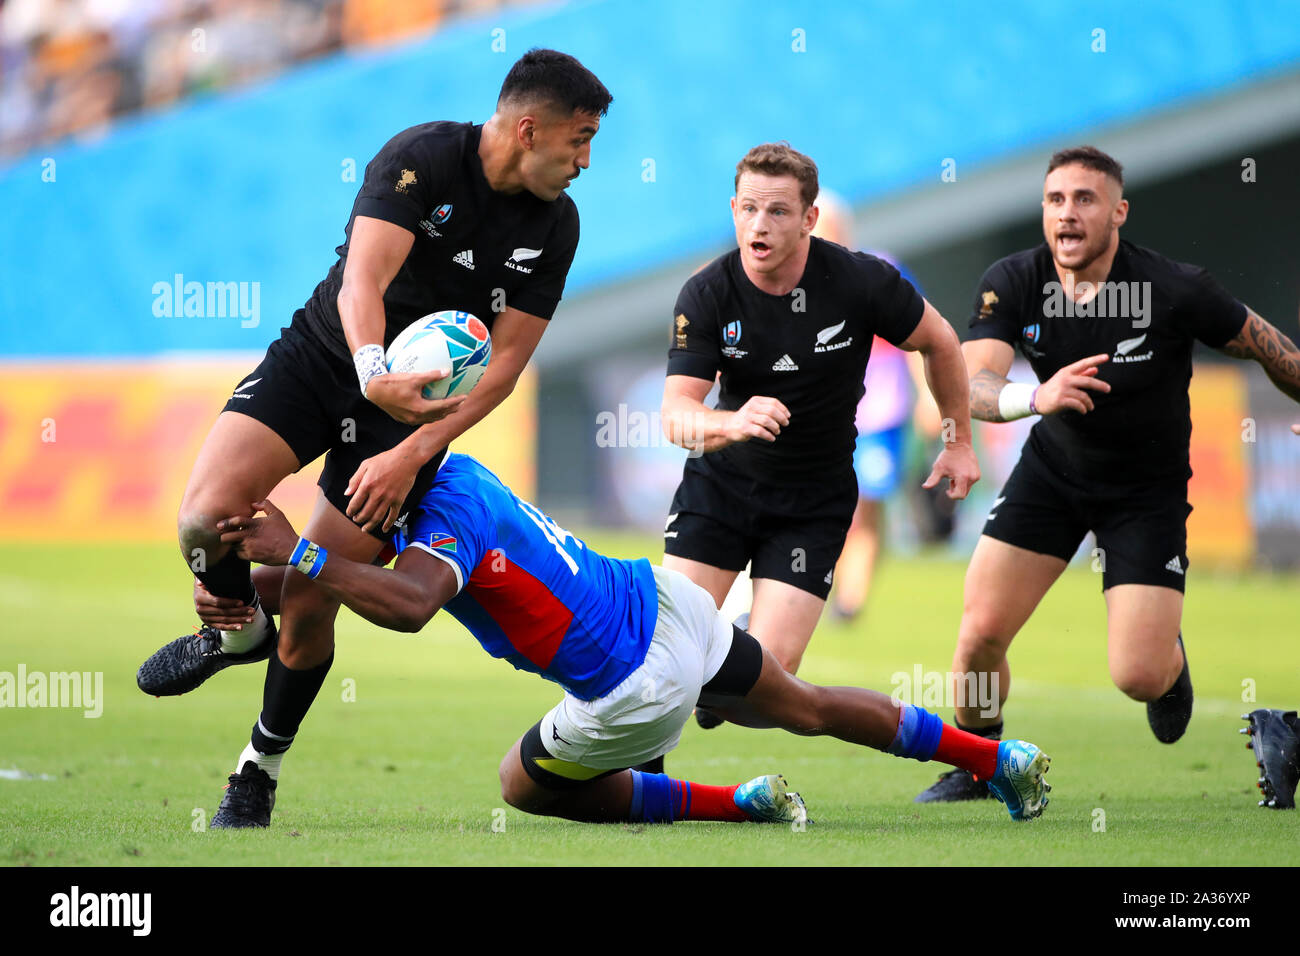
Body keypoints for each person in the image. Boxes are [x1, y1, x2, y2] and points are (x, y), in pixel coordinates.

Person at [135, 49, 612, 826]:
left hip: (409, 423)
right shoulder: (420, 159)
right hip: (327, 355)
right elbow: (364, 280)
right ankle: (238, 632)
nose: (586, 160)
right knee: (203, 520)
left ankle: (257, 771)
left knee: (314, 595)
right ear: (529, 128)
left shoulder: (557, 226)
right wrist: (369, 370)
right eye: (580, 139)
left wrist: (410, 451)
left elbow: (505, 366)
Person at [196, 452, 1051, 827]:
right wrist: (245, 580)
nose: (344, 484)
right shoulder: (440, 475)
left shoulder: (447, 512)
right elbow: (330, 576)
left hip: (633, 679)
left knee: (520, 788)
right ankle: (993, 759)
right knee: (808, 706)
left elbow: (409, 604)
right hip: (665, 601)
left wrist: (299, 550)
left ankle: (736, 805)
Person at [915, 145, 1300, 803]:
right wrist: (1031, 398)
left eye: (1085, 199)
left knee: (1138, 676)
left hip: (1145, 494)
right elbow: (972, 380)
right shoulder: (1011, 279)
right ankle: (979, 764)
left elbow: (1268, 345)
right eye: (1055, 200)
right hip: (1052, 476)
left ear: (1118, 211)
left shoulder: (1175, 288)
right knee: (979, 632)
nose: (1067, 214)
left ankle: (1167, 662)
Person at [658, 143, 978, 702]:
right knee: (666, 655)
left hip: (812, 500)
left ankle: (724, 675)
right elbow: (675, 417)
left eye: (779, 211)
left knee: (764, 683)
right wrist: (733, 423)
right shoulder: (706, 293)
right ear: (734, 208)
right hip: (720, 490)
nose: (760, 224)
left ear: (810, 220)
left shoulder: (862, 281)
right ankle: (639, 785)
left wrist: (957, 441)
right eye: (750, 208)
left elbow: (941, 341)